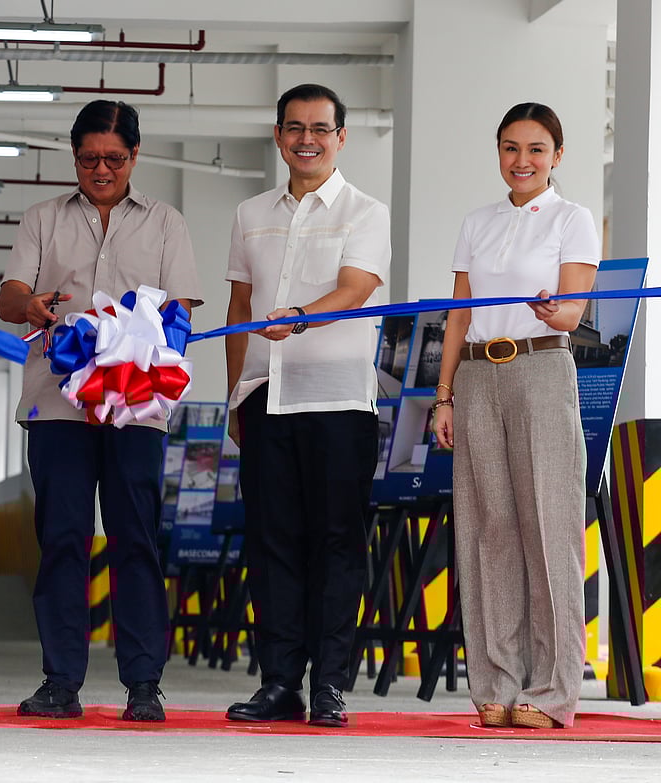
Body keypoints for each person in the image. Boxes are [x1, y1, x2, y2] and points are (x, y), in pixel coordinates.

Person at [0, 100, 202, 722]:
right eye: (89, 160)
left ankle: (144, 685)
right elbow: (9, 298)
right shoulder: (43, 218)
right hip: (57, 408)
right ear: (75, 157)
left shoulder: (167, 224)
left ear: (135, 156)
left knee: (135, 540)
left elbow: (183, 312)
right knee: (62, 540)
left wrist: (149, 340)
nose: (101, 171)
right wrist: (31, 304)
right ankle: (61, 682)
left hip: (136, 410)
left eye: (114, 159)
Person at [223, 84, 390, 728]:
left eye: (320, 128)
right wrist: (238, 391)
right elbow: (239, 308)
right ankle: (280, 683)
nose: (307, 139)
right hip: (267, 398)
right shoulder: (249, 213)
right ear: (278, 135)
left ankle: (331, 687)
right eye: (295, 128)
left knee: (336, 543)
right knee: (272, 544)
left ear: (341, 137)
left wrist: (297, 319)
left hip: (339, 400)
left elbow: (354, 291)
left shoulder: (364, 212)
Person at [431, 103, 597, 730]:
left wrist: (554, 310)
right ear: (498, 153)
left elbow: (572, 315)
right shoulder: (477, 222)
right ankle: (495, 685)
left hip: (540, 370)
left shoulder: (571, 219)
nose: (521, 160)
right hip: (476, 375)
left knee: (548, 528)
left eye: (535, 148)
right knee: (488, 529)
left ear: (557, 155)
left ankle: (554, 691)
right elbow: (458, 315)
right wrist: (443, 395)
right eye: (509, 148)